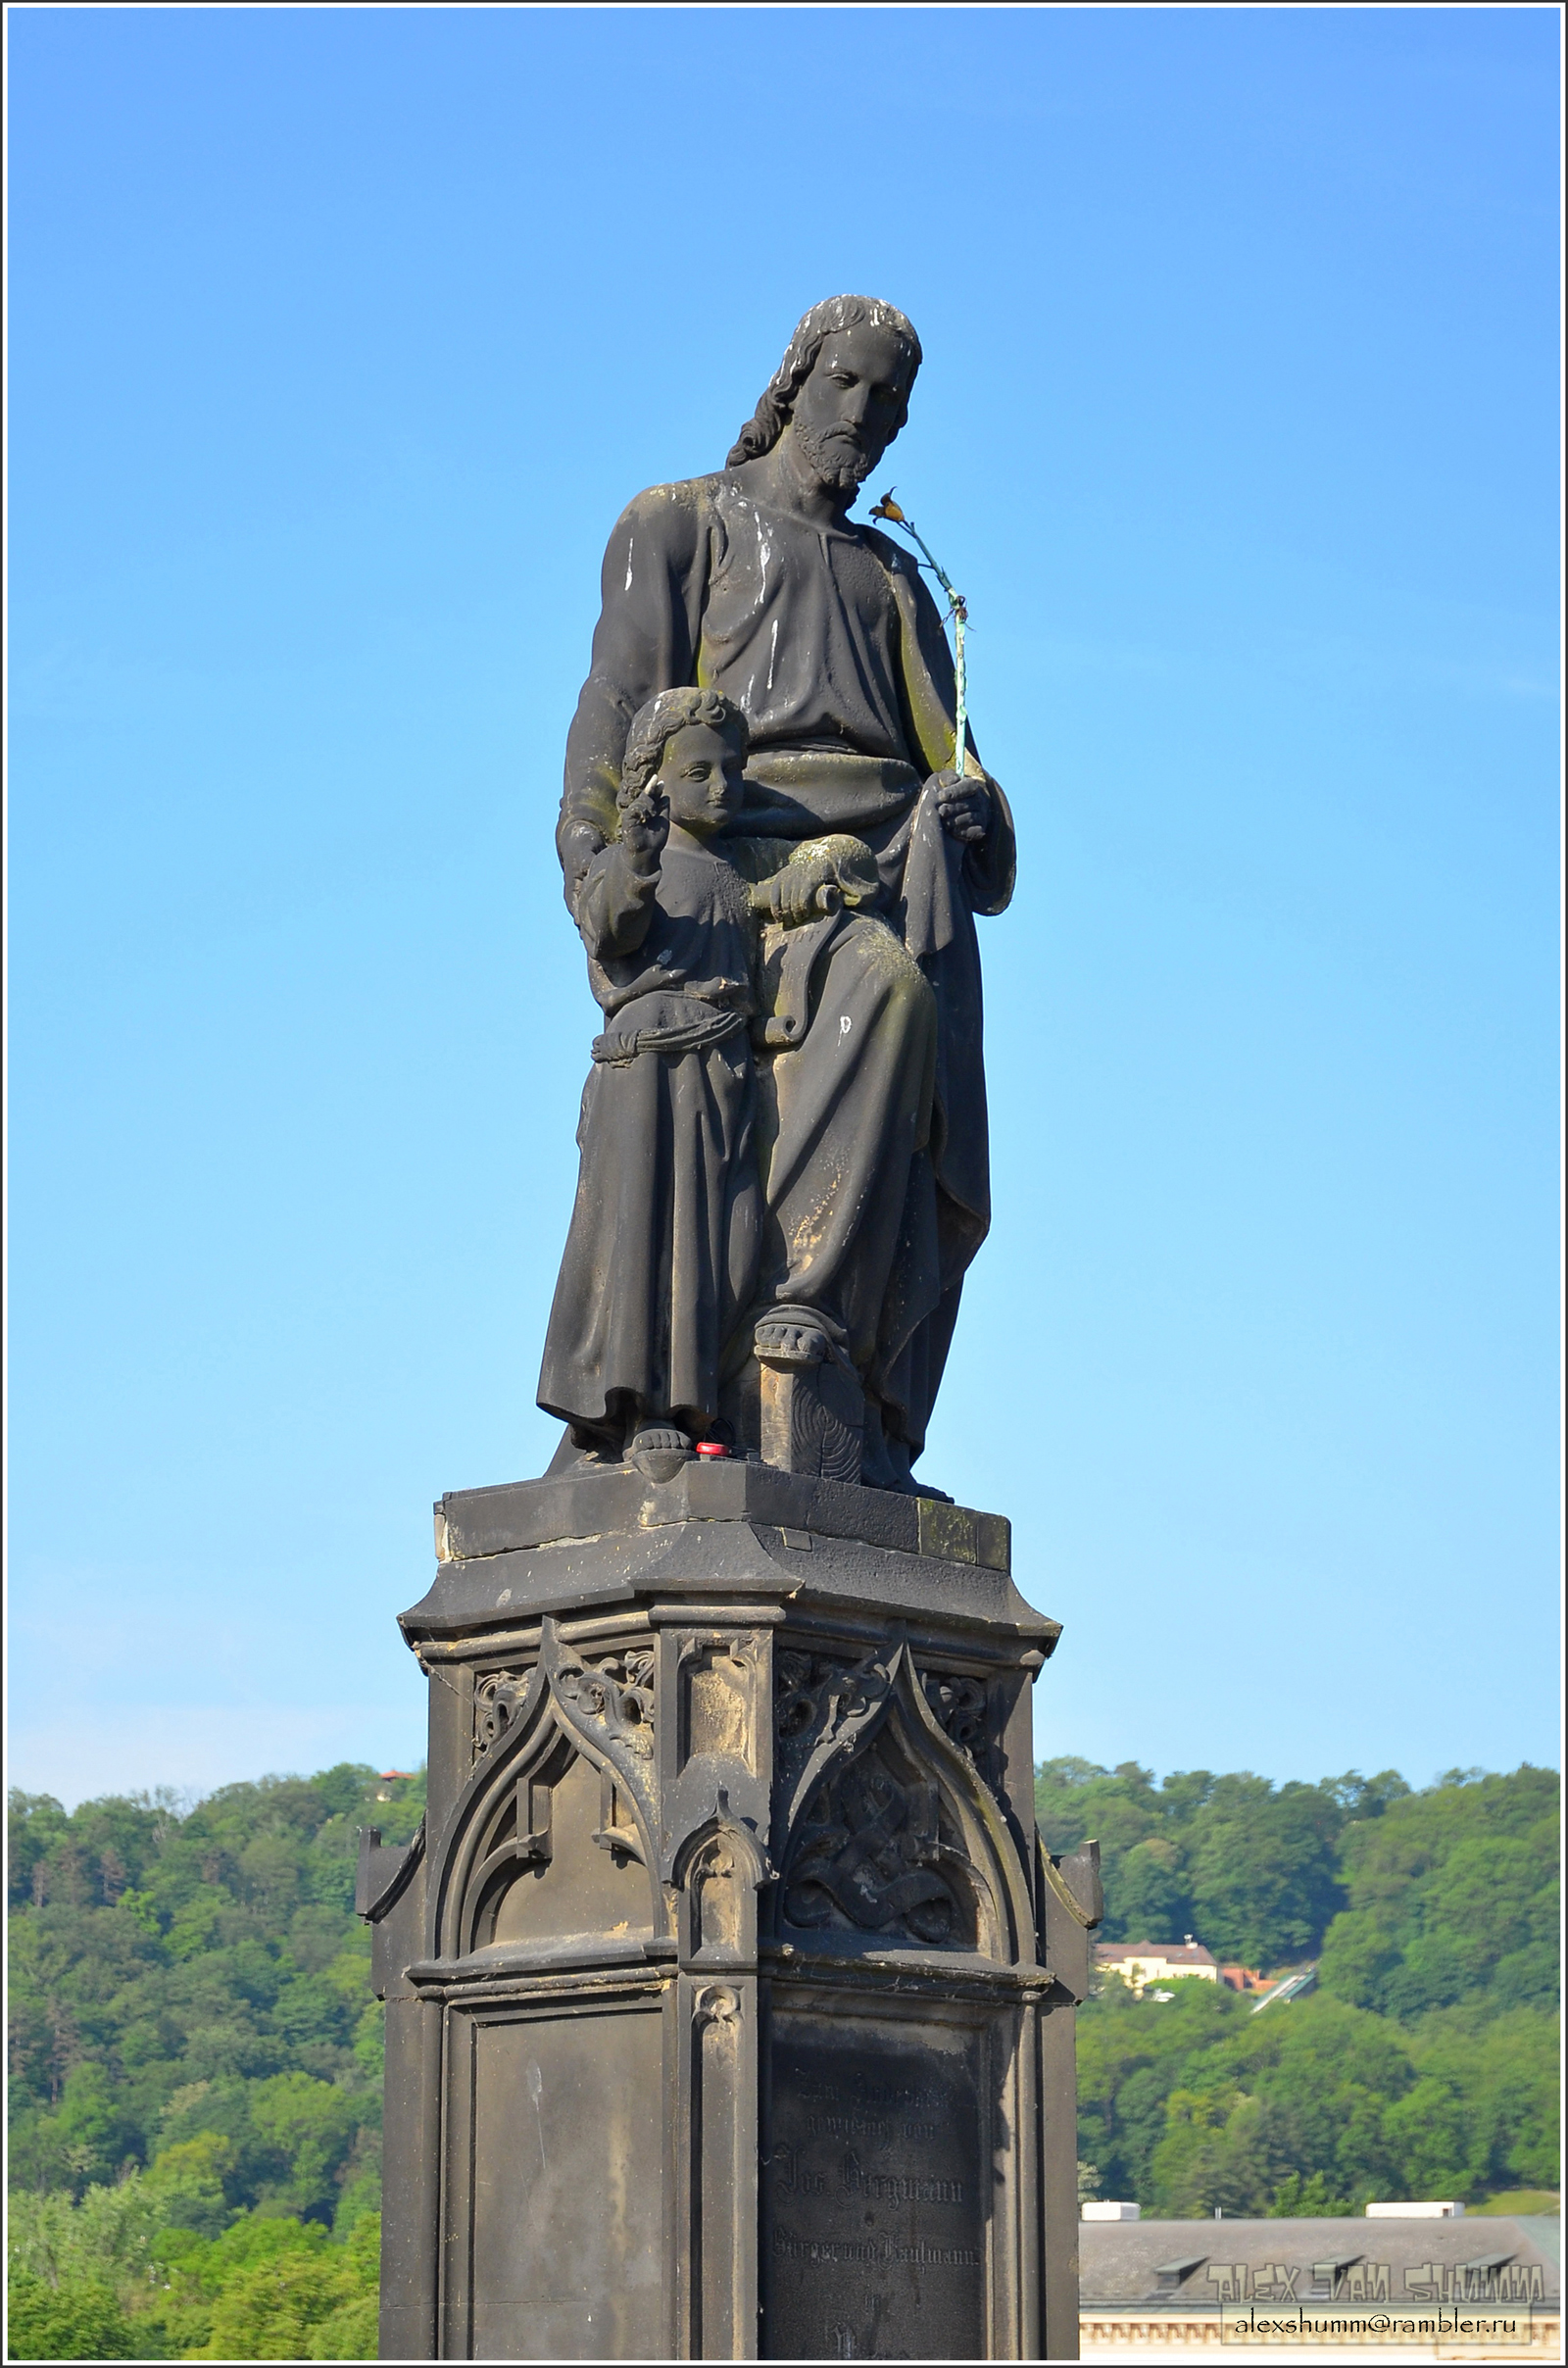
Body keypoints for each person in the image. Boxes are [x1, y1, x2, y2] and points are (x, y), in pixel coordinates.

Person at [556, 296, 1015, 1491]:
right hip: (729, 870)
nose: (862, 417)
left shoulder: (893, 583)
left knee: (893, 981)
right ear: (794, 381)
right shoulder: (681, 526)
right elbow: (614, 717)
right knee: (876, 988)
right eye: (845, 386)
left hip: (884, 868)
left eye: (889, 403)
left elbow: (956, 758)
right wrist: (606, 876)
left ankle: (820, 1346)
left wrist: (977, 812)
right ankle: (777, 1330)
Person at [538, 688, 763, 1460]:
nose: (722, 786)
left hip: (718, 1076)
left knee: (721, 1244)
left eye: (732, 770)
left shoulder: (735, 878)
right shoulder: (638, 858)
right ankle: (641, 1406)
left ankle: (700, 1401)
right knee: (645, 1236)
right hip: (647, 1076)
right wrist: (633, 854)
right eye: (698, 771)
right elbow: (609, 925)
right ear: (655, 779)